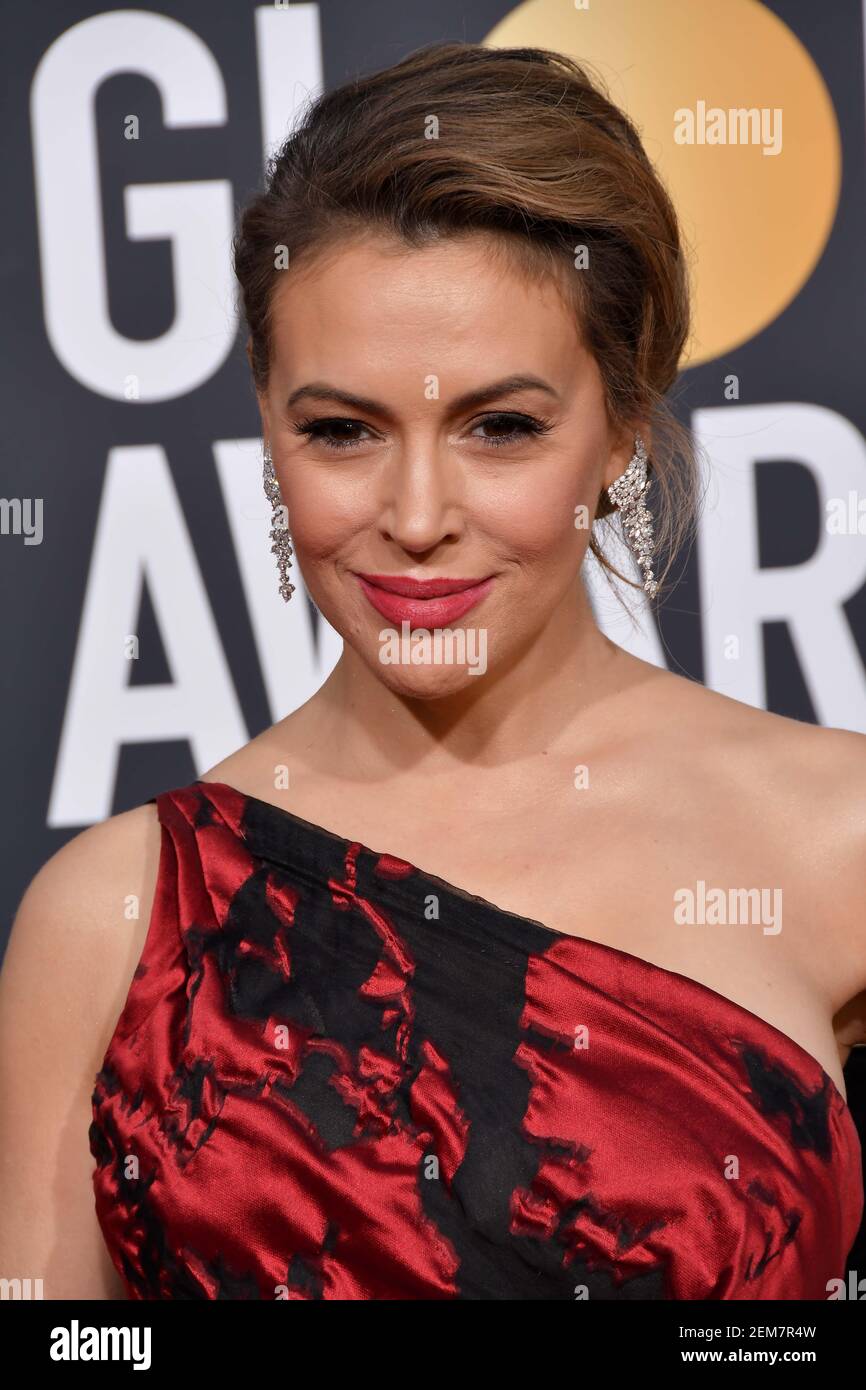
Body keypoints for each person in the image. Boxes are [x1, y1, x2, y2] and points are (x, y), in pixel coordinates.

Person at [1, 41, 864, 1301]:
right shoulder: (114, 919)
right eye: (340, 430)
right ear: (265, 424)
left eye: (499, 427)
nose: (414, 514)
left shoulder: (836, 837)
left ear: (622, 424)